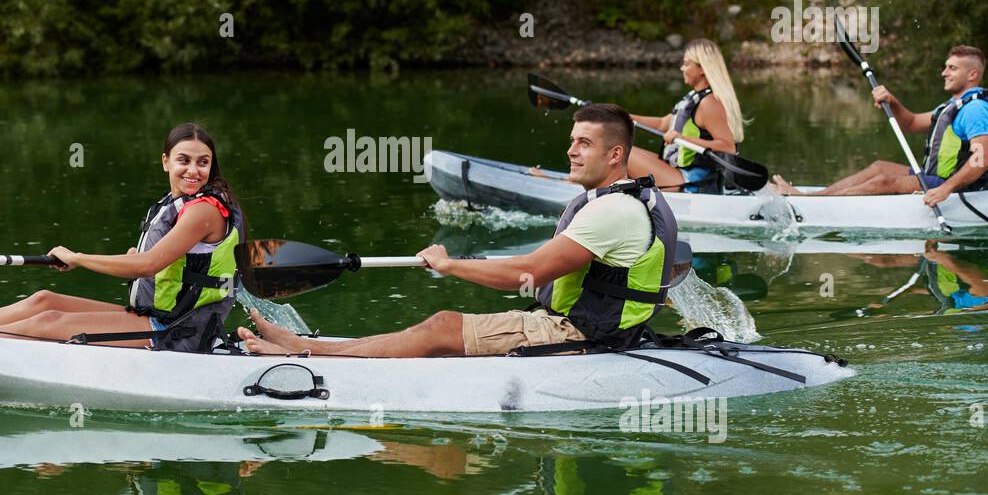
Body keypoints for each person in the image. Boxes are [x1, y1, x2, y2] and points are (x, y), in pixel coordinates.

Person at [239, 103, 677, 357]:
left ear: (616, 153)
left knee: (442, 327)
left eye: (584, 143)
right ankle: (320, 348)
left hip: (579, 334)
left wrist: (450, 265)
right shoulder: (623, 201)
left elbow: (525, 275)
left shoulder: (613, 212)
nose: (571, 151)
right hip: (580, 324)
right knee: (440, 328)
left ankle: (305, 351)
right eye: (572, 140)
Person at [0, 123, 244, 350]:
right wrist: (132, 257)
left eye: (203, 162)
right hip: (157, 317)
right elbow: (157, 262)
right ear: (165, 162)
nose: (194, 171)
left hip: (178, 330)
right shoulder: (176, 203)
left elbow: (147, 266)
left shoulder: (204, 210)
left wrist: (78, 258)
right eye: (184, 160)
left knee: (47, 321)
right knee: (43, 300)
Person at [771, 45, 988, 201]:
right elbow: (912, 123)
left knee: (884, 181)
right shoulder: (954, 106)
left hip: (956, 186)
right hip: (936, 177)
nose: (944, 73)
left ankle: (809, 202)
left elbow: (980, 160)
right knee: (879, 167)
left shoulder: (976, 109)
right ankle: (814, 197)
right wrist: (892, 101)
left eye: (952, 68)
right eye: (945, 66)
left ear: (972, 75)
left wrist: (944, 190)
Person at [628, 39, 745, 193]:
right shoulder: (694, 99)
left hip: (693, 182)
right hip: (677, 171)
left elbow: (727, 146)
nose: (682, 68)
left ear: (702, 68)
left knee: (620, 153)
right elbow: (663, 123)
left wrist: (682, 138)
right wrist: (623, 117)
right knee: (620, 150)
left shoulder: (709, 103)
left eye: (687, 63)